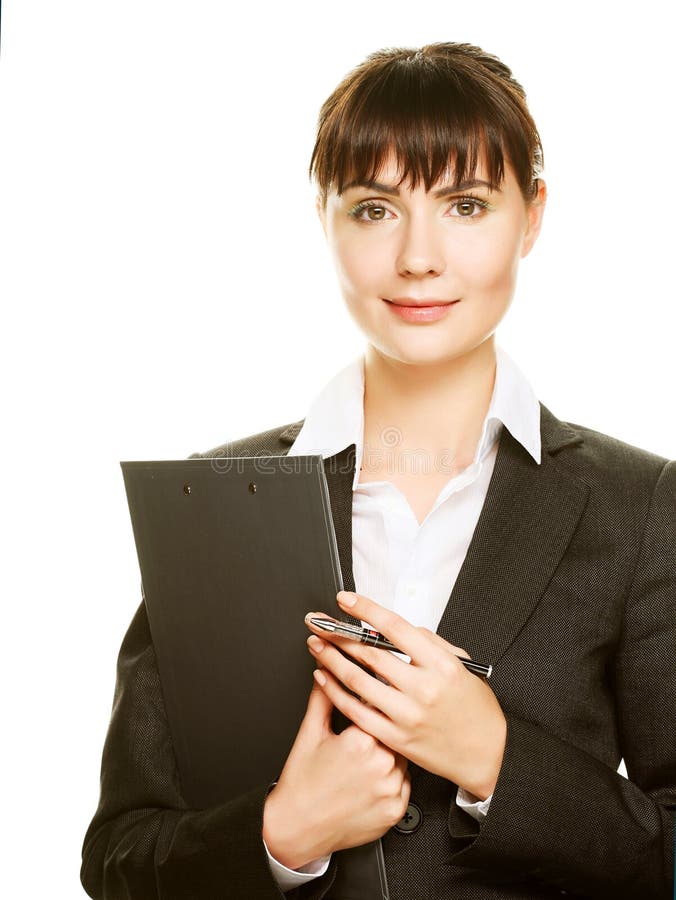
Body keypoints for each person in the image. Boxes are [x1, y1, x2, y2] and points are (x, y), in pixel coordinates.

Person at [80, 41, 676, 899]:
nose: (418, 257)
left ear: (532, 215)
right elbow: (117, 861)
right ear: (324, 217)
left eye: (466, 205)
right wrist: (282, 834)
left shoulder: (640, 506)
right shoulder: (211, 501)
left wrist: (497, 759)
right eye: (373, 209)